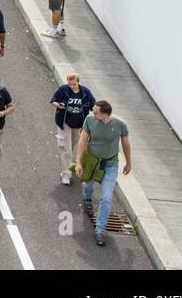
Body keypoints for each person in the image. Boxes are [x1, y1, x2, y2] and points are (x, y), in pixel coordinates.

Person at [75, 101, 131, 247]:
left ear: (105, 114)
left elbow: (126, 144)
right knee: (87, 185)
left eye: (96, 112)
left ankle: (100, 230)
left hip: (110, 164)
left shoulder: (120, 124)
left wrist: (129, 162)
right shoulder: (90, 120)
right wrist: (79, 161)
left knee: (106, 198)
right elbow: (82, 140)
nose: (93, 113)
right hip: (93, 161)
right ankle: (87, 199)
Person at [51, 72, 95, 185]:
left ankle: (71, 166)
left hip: (79, 125)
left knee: (73, 146)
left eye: (74, 84)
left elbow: (93, 106)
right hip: (64, 123)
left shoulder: (85, 92)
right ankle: (66, 175)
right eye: (70, 84)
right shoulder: (63, 90)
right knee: (66, 149)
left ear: (78, 82)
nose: (71, 87)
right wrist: (59, 105)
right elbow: (53, 101)